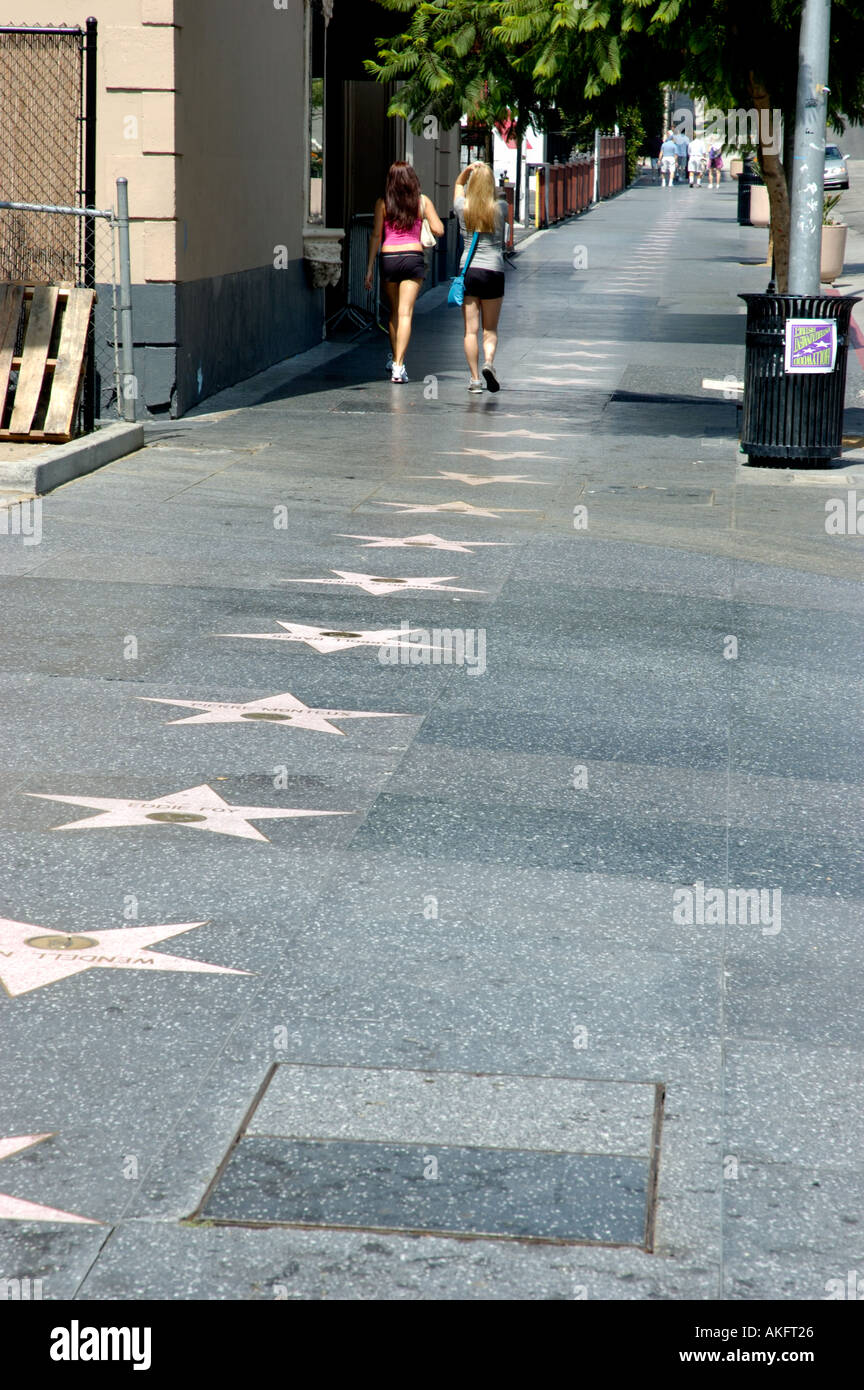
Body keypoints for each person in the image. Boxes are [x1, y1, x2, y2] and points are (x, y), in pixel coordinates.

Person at [365, 161, 444, 384]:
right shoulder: (422, 201)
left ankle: (396, 361)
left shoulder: (383, 203)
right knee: (406, 313)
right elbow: (439, 229)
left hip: (389, 258)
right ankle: (399, 366)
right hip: (412, 258)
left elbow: (376, 236)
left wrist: (370, 267)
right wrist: (424, 219)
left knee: (393, 312)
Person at [453, 162, 506, 393]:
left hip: (470, 271)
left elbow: (457, 185)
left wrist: (466, 173)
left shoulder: (462, 208)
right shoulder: (501, 207)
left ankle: (474, 380)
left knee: (470, 330)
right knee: (490, 330)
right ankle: (489, 363)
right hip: (494, 270)